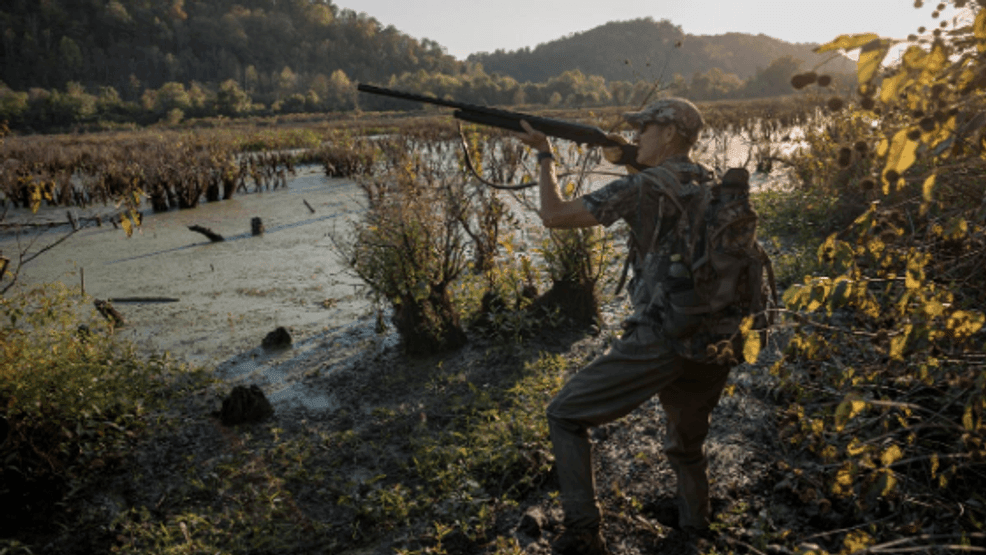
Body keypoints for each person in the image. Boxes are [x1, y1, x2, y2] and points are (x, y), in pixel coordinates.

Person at [515, 98, 730, 554]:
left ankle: (583, 532)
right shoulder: (710, 178)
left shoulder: (645, 185)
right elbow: (667, 203)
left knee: (564, 414)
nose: (635, 136)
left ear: (668, 133)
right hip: (715, 335)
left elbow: (554, 216)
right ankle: (695, 530)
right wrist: (629, 158)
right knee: (687, 445)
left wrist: (545, 154)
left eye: (644, 129)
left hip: (664, 335)